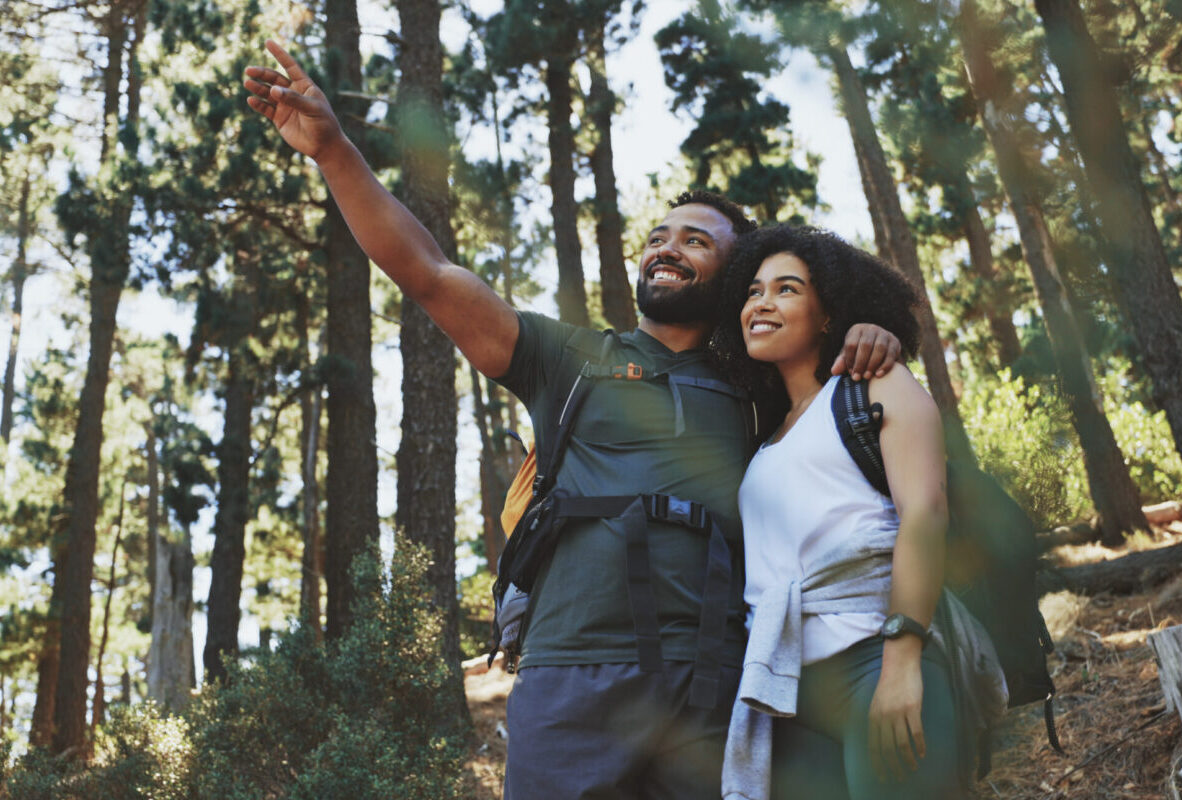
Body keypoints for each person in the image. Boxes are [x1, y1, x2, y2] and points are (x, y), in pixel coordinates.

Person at [244, 41, 903, 800]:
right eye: (659, 235)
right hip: (570, 672)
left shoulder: (759, 381)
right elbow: (426, 271)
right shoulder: (570, 358)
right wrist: (332, 150)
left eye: (696, 240)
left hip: (712, 679)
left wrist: (869, 334)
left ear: (735, 276)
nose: (667, 248)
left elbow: (846, 429)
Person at [712, 225, 965, 800]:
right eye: (753, 291)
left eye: (787, 289)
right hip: (788, 695)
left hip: (874, 661)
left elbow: (925, 512)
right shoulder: (765, 434)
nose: (762, 303)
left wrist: (902, 663)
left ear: (828, 315)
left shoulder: (873, 384)